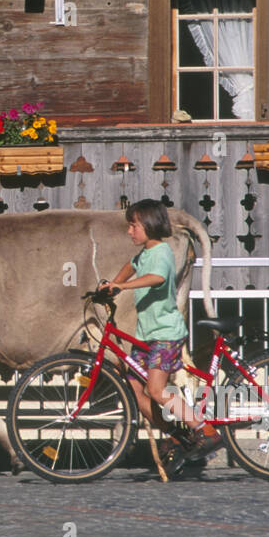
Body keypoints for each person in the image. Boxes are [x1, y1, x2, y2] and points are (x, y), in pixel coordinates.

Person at [99, 199, 222, 465]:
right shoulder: (144, 253)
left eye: (133, 226)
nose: (129, 231)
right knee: (134, 389)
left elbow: (158, 278)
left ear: (149, 225)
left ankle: (205, 430)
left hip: (165, 334)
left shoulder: (163, 252)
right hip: (145, 335)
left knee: (155, 391)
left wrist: (125, 287)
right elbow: (131, 265)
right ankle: (178, 434)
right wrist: (113, 283)